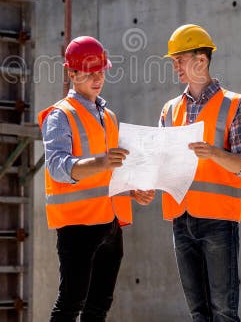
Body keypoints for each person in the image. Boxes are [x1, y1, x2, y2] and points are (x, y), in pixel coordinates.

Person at [39, 35, 154, 322]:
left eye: (101, 71)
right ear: (72, 73)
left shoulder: (109, 116)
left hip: (111, 223)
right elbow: (57, 166)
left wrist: (132, 191)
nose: (97, 78)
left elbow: (113, 172)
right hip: (78, 225)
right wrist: (101, 162)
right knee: (70, 304)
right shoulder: (60, 115)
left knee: (99, 306)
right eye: (89, 73)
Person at [158, 24, 241, 322]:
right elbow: (160, 161)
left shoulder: (233, 104)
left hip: (218, 221)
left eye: (180, 59)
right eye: (173, 61)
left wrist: (212, 152)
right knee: (199, 314)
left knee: (223, 313)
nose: (175, 67)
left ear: (200, 60)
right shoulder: (169, 109)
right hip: (180, 219)